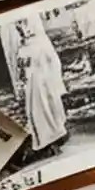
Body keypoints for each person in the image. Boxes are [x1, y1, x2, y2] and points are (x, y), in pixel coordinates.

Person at [14, 18, 70, 150]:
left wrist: (53, 78)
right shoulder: (23, 48)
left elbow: (54, 62)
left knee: (49, 108)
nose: (22, 29)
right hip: (32, 86)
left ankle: (57, 135)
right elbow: (22, 68)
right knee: (36, 112)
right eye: (20, 28)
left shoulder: (41, 43)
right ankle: (45, 140)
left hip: (44, 83)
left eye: (23, 26)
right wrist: (23, 82)